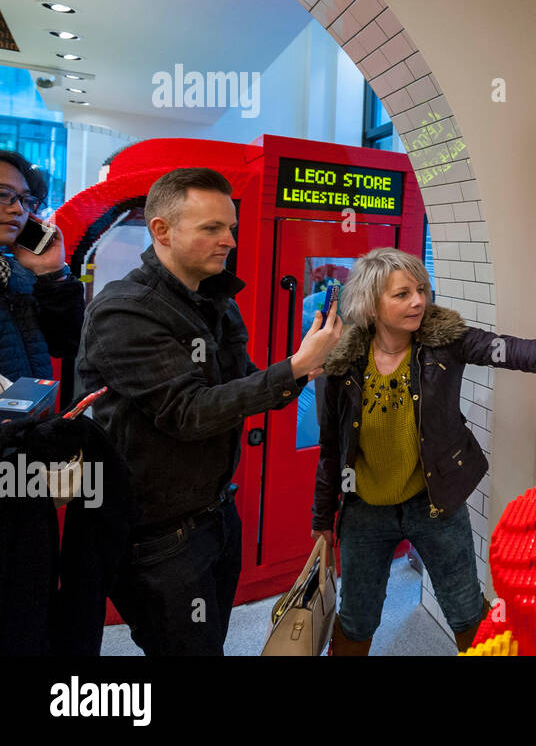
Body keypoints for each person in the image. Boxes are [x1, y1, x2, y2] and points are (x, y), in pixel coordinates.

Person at [76, 167, 342, 655]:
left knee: (208, 643)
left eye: (231, 227)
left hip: (216, 515)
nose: (228, 241)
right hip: (157, 538)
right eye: (212, 228)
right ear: (162, 230)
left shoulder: (214, 298)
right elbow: (189, 413)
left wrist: (310, 367)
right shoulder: (124, 310)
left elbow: (243, 382)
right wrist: (297, 365)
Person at [311, 247, 536, 654]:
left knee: (465, 611)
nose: (419, 300)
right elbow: (331, 448)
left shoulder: (445, 342)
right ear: (370, 303)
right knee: (356, 618)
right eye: (402, 294)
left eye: (421, 289)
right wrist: (322, 518)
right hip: (365, 512)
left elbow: (511, 350)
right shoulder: (343, 363)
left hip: (435, 505)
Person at [0, 150, 83, 384]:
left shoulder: (20, 274)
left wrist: (52, 272)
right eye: (3, 195)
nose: (18, 210)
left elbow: (66, 344)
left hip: (34, 415)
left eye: (26, 201)